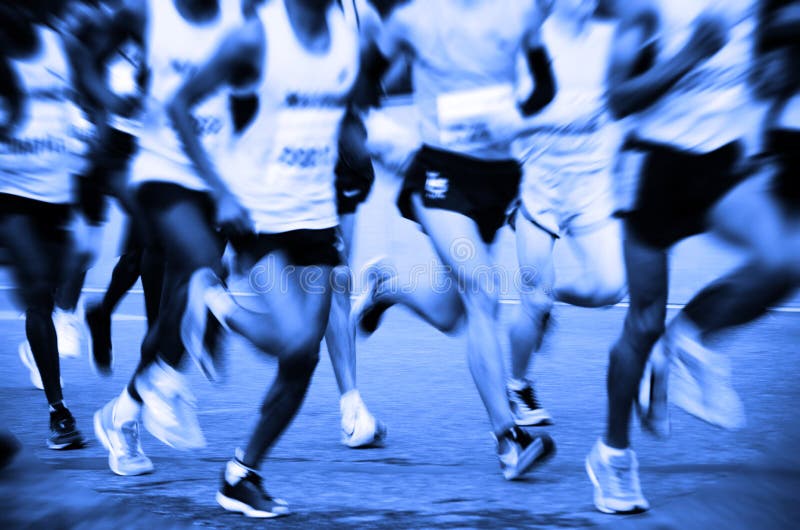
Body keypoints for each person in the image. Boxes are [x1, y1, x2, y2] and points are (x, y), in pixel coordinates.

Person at [170, 0, 366, 516]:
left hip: (316, 216)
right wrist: (220, 191)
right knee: (295, 340)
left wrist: (372, 151)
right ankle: (214, 300)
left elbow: (343, 116)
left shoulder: (347, 37)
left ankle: (240, 475)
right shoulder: (256, 36)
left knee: (303, 359)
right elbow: (180, 105)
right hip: (258, 216)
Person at [351, 0, 557, 480]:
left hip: (497, 180)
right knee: (483, 292)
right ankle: (509, 439)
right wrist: (377, 130)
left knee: (450, 313)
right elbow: (361, 81)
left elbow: (546, 87)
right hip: (439, 178)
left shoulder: (521, 13)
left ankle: (387, 287)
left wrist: (518, 115)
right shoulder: (412, 19)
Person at [587, 0, 756, 514]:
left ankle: (687, 339)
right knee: (643, 323)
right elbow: (617, 98)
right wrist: (691, 53)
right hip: (655, 164)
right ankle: (613, 455)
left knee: (784, 258)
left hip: (724, 156)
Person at [92, 0, 245, 477]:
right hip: (159, 171)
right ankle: (166, 382)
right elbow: (86, 59)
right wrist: (110, 99)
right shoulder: (144, 14)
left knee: (181, 308)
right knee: (201, 270)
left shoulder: (242, 19)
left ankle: (123, 415)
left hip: (217, 178)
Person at [506, 0, 626, 427]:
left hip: (591, 186)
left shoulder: (611, 39)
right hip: (537, 186)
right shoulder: (528, 41)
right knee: (532, 299)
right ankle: (517, 388)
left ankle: (550, 299)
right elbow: (501, 113)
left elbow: (626, 104)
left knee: (610, 286)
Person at [0, 0, 92, 450]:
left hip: (57, 192)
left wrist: (85, 126)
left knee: (58, 285)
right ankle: (59, 411)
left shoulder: (60, 45)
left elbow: (81, 100)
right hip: (10, 193)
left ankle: (45, 345)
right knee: (38, 289)